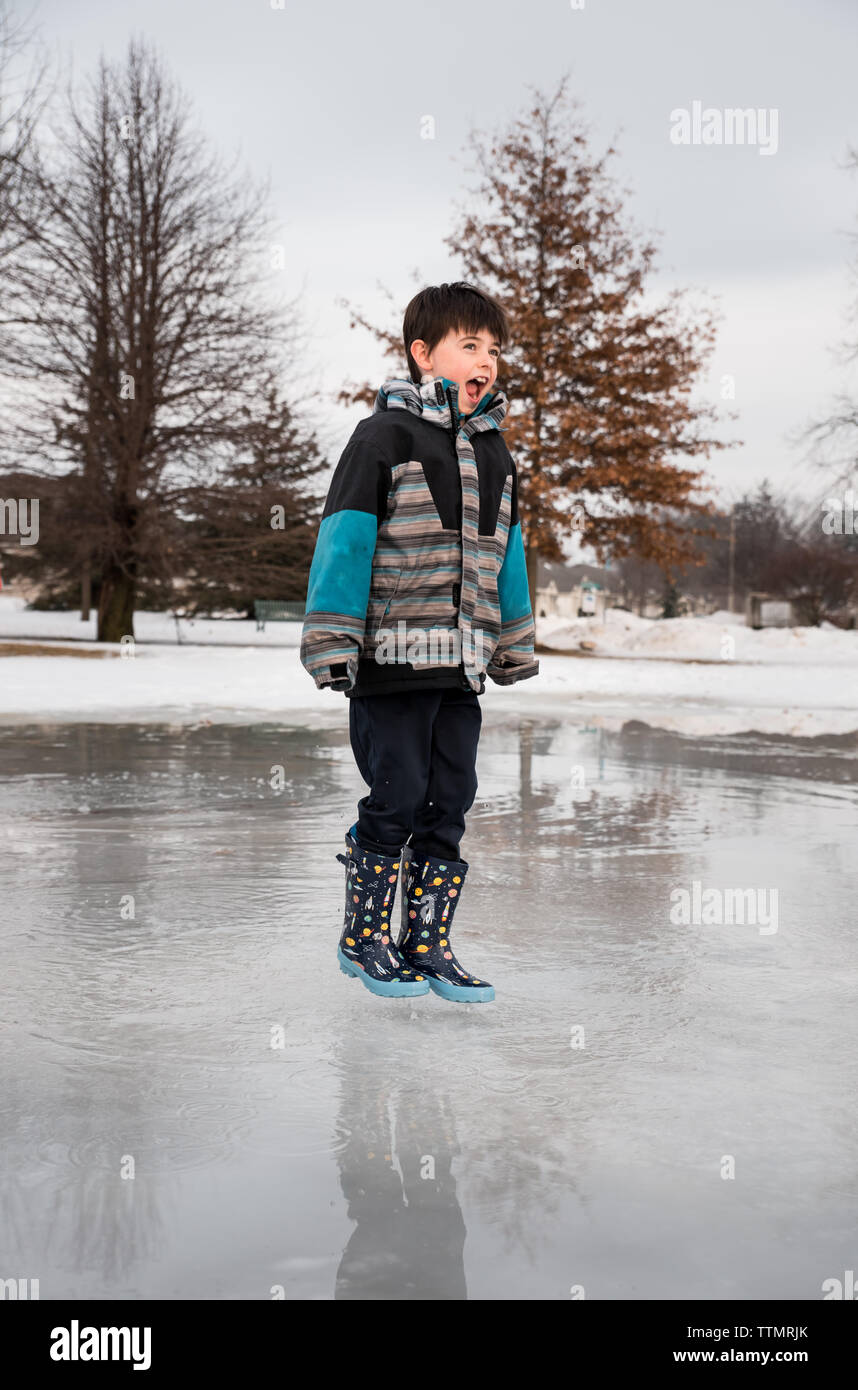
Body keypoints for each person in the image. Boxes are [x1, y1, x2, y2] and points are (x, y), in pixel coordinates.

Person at [300, 281, 539, 1003]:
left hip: (460, 666)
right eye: (470, 345)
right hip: (391, 659)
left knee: (451, 797)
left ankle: (426, 943)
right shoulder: (384, 438)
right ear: (422, 354)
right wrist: (332, 640)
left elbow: (511, 557)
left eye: (494, 348)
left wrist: (514, 643)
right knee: (398, 789)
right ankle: (363, 933)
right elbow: (345, 540)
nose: (487, 360)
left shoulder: (497, 456)